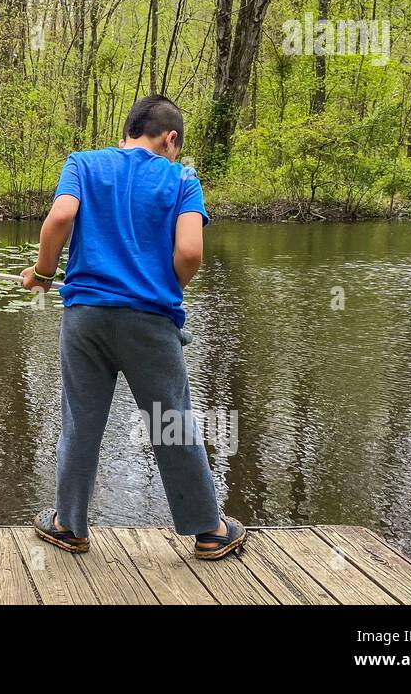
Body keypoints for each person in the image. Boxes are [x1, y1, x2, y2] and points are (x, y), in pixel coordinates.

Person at [21, 94, 246, 559]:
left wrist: (43, 274)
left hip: (85, 319)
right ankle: (209, 530)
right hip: (150, 323)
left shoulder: (82, 163)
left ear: (125, 132)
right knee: (171, 423)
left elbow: (60, 217)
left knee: (80, 422)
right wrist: (162, 290)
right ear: (171, 139)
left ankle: (69, 524)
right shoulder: (182, 176)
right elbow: (190, 254)